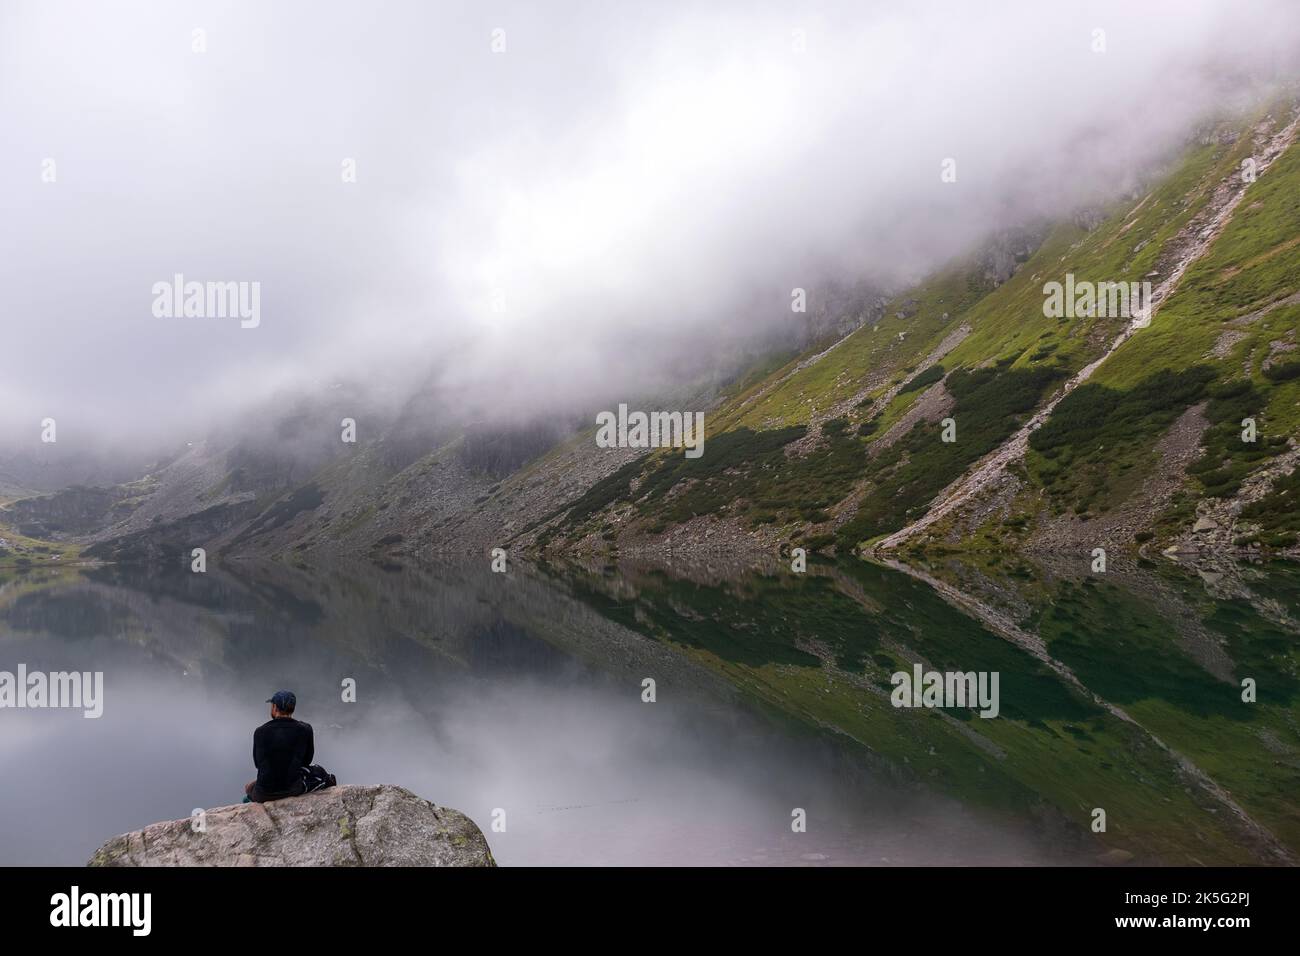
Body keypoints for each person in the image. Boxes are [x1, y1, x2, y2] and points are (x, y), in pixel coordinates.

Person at [243, 690, 314, 804]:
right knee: (320, 773)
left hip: (263, 793)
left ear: (275, 707)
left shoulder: (260, 732)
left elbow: (258, 764)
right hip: (293, 789)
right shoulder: (305, 729)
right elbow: (307, 761)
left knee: (248, 788)